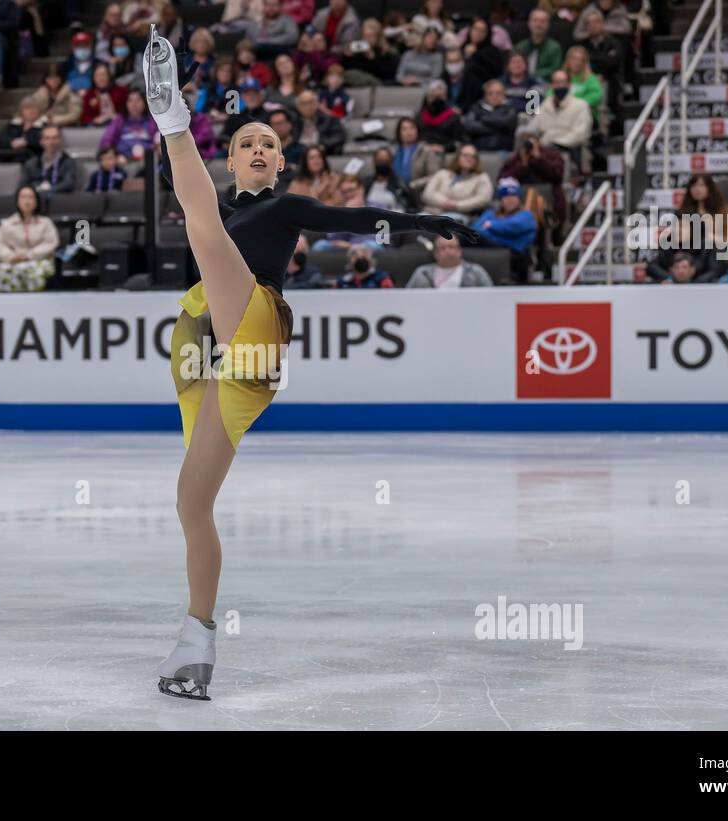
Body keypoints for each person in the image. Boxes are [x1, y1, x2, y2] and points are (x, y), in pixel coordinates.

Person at [140, 28, 477, 700]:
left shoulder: (287, 205)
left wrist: (424, 220)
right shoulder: (224, 201)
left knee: (201, 226)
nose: (260, 148)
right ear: (233, 162)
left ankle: (169, 116)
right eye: (246, 144)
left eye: (269, 142)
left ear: (281, 161)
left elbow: (356, 220)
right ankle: (195, 643)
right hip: (206, 340)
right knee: (190, 501)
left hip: (258, 328)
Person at [0, 185, 58, 292]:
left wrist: (29, 255)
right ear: (17, 201)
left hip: (38, 261)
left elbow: (50, 243)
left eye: (31, 197)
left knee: (31, 272)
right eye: (23, 197)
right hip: (13, 261)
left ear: (36, 201)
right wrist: (11, 256)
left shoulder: (45, 222)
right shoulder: (7, 223)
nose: (27, 201)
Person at [471, 178, 537, 282]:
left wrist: (491, 225)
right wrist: (497, 231)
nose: (510, 200)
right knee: (467, 237)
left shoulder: (526, 215)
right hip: (488, 247)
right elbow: (476, 229)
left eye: (513, 196)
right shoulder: (492, 213)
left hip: (513, 252)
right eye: (506, 196)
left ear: (519, 198)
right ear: (501, 200)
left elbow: (514, 226)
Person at [421, 144, 493, 221]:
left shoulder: (481, 177)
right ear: (457, 157)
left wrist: (457, 205)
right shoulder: (443, 173)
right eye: (465, 155)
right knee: (415, 224)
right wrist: (444, 202)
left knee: (445, 225)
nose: (469, 159)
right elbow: (427, 193)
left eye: (473, 156)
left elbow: (483, 199)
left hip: (459, 215)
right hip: (432, 212)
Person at [407, 235, 492, 287]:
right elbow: (409, 298)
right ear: (435, 253)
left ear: (459, 251)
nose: (448, 251)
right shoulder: (422, 273)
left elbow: (490, 298)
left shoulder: (476, 272)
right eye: (443, 248)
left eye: (451, 247)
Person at [99, 89, 158, 162]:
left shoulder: (152, 120)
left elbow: (158, 141)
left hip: (147, 159)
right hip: (122, 158)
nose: (134, 104)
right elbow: (106, 140)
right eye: (130, 101)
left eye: (138, 100)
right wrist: (115, 155)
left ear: (144, 103)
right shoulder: (119, 120)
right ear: (126, 104)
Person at [21, 125, 83, 194]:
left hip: (59, 199)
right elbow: (22, 186)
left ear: (60, 140)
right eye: (47, 138)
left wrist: (47, 190)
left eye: (55, 138)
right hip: (35, 199)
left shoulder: (69, 162)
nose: (51, 142)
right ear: (41, 141)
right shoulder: (31, 163)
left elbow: (69, 184)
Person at [462, 79, 518, 153]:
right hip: (478, 151)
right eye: (490, 93)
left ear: (504, 94)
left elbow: (507, 123)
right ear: (485, 95)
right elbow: (469, 126)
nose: (494, 96)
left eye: (498, 93)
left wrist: (484, 118)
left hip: (503, 152)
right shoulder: (476, 108)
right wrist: (499, 128)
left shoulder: (510, 109)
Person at [391, 117, 443, 190]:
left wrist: (414, 185)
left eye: (412, 128)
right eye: (404, 129)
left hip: (416, 192)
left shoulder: (426, 151)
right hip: (393, 189)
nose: (409, 132)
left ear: (417, 131)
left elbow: (435, 176)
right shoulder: (392, 151)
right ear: (399, 133)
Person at [514, 8, 562, 82]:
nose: (538, 24)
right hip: (520, 83)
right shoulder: (520, 47)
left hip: (545, 83)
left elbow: (555, 70)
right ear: (529, 23)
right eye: (535, 20)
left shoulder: (554, 47)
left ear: (548, 25)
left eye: (542, 21)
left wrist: (532, 75)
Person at [291, 89, 343, 155]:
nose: (308, 106)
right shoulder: (293, 121)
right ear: (298, 106)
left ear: (316, 103)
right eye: (303, 103)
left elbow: (339, 137)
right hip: (298, 155)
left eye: (310, 102)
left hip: (322, 154)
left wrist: (323, 145)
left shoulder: (329, 119)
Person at [416, 80, 461, 149]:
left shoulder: (453, 117)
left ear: (445, 97)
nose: (436, 101)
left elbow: (457, 141)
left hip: (444, 152)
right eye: (433, 97)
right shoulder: (419, 116)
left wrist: (443, 147)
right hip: (422, 150)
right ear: (427, 97)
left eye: (439, 97)